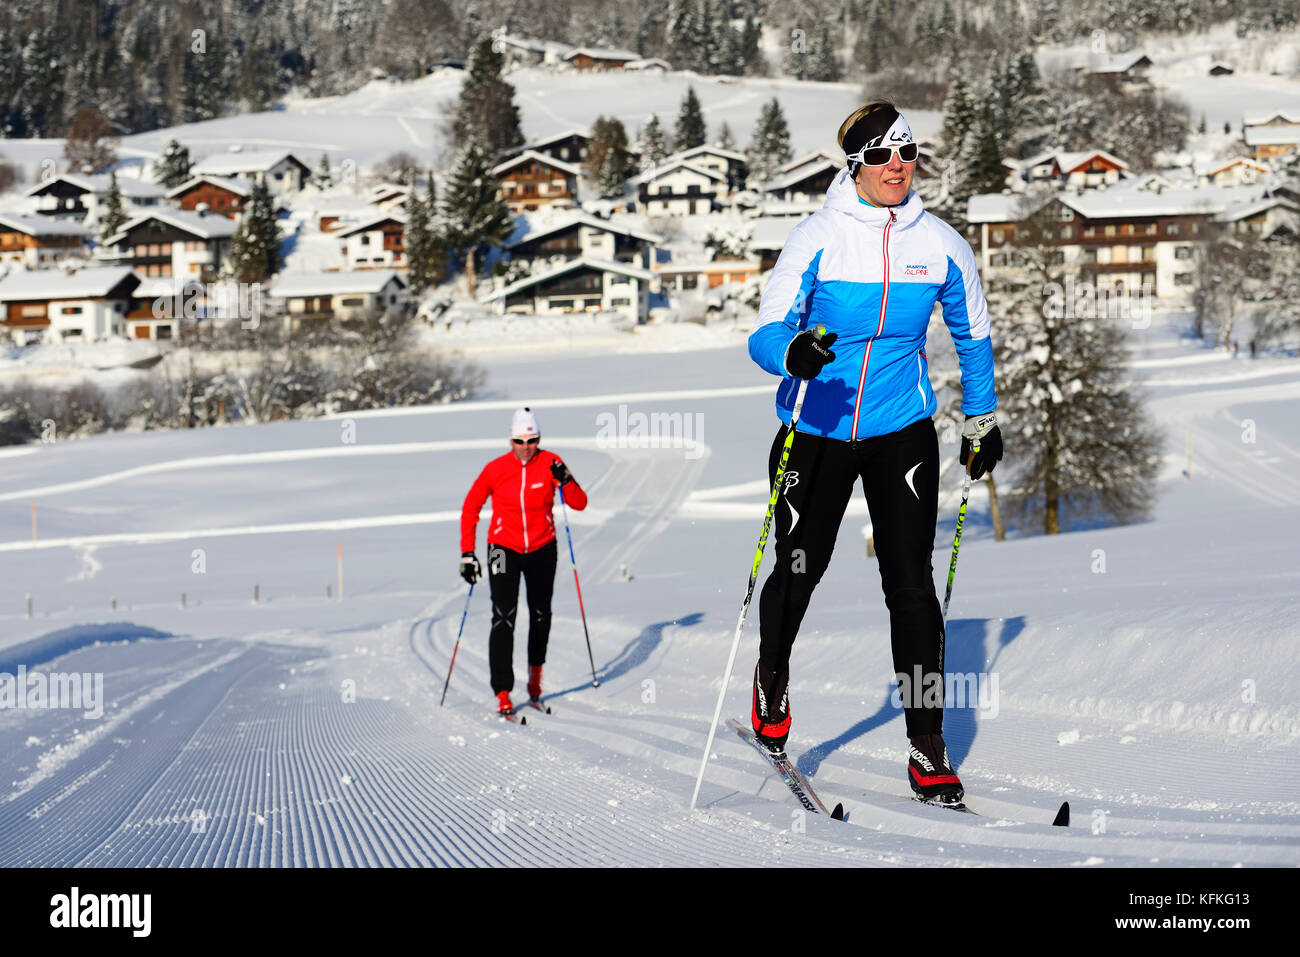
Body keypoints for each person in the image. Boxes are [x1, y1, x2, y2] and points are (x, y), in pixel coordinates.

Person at [746, 101, 1003, 804]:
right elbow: (766, 331)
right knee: (801, 568)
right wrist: (792, 351)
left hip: (901, 431)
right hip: (817, 428)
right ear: (856, 163)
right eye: (883, 156)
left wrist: (981, 418)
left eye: (908, 153)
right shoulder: (818, 238)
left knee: (911, 586)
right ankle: (772, 676)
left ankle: (927, 740)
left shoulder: (943, 244)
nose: (898, 167)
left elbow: (973, 336)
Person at [460, 407, 587, 715]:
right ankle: (503, 691)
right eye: (519, 440)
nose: (526, 447)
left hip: (543, 547)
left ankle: (535, 683)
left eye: (532, 440)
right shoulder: (495, 469)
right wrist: (467, 552)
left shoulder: (552, 463)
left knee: (541, 613)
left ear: (539, 439)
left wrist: (566, 480)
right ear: (510, 440)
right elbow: (470, 507)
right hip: (503, 548)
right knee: (503, 616)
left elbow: (580, 503)